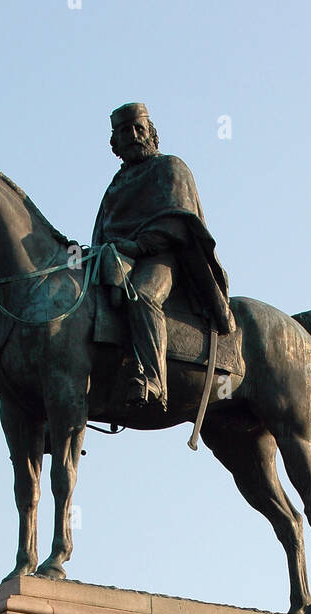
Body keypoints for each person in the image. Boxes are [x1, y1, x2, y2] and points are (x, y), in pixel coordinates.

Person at [92, 102, 235, 411]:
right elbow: (102, 232)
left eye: (137, 129)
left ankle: (155, 380)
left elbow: (179, 224)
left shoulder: (170, 167)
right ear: (114, 143)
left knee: (142, 295)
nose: (131, 136)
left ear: (151, 133)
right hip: (119, 257)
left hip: (164, 255)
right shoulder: (115, 185)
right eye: (123, 132)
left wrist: (139, 245)